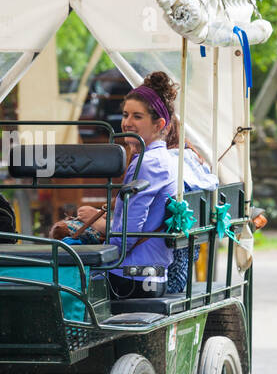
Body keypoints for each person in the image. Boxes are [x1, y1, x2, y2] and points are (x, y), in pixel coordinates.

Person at [77, 71, 218, 297]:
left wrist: (98, 228)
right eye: (125, 115)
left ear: (159, 124)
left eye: (137, 117)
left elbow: (128, 236)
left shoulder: (148, 163)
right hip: (146, 272)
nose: (127, 122)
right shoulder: (160, 158)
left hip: (131, 277)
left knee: (62, 264)